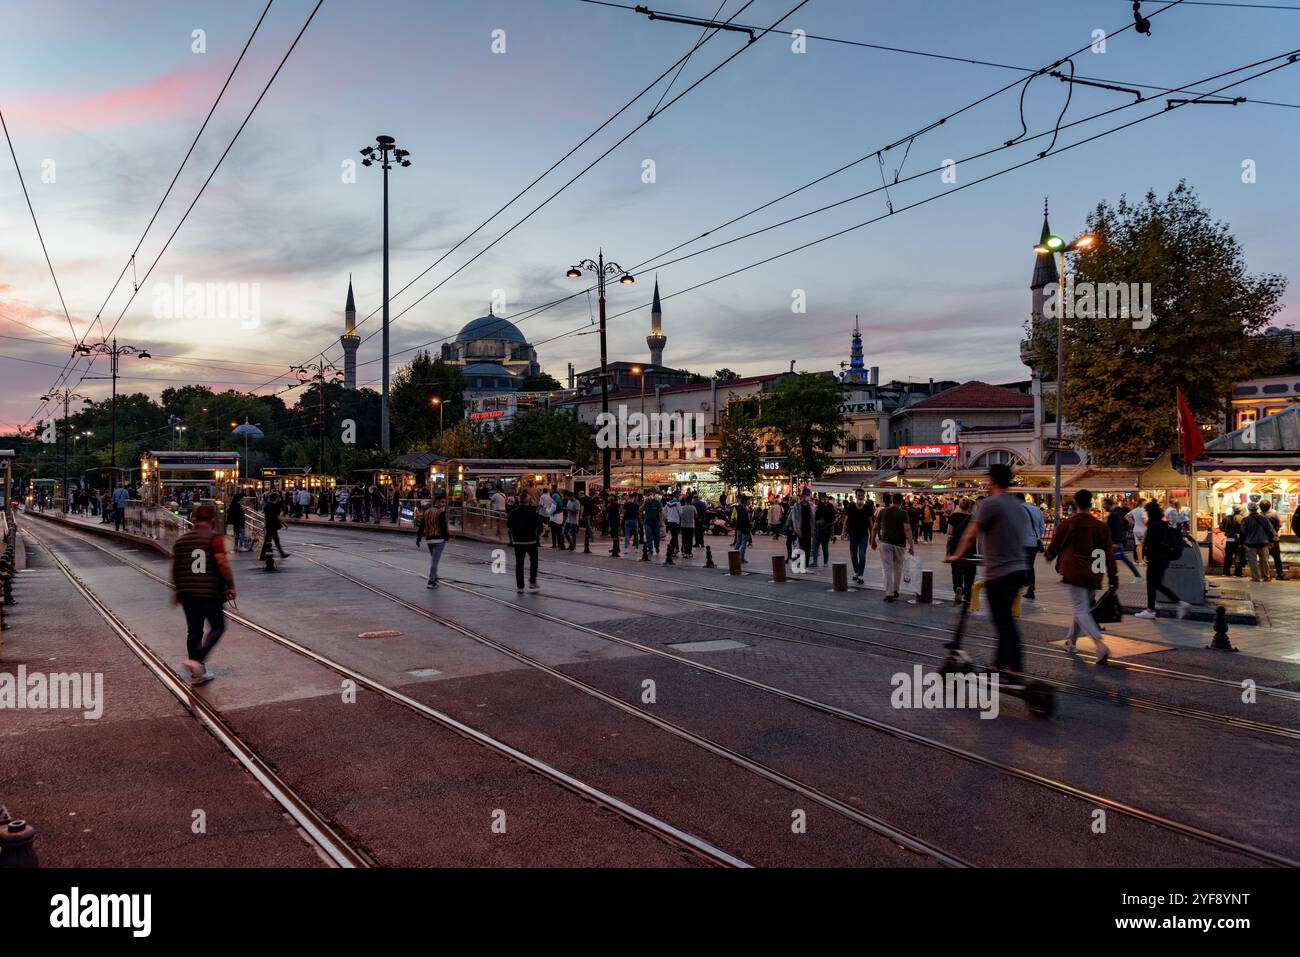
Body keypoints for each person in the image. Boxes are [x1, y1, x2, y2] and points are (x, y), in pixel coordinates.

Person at [950, 465, 1030, 678]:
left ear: (993, 481)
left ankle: (1014, 669)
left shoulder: (989, 504)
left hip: (1000, 573)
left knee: (1003, 621)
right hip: (1018, 570)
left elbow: (970, 533)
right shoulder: (1018, 506)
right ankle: (997, 665)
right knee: (1003, 619)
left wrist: (956, 555)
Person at [1046, 489, 1119, 664]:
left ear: (1075, 504)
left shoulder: (1069, 524)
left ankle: (1099, 644)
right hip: (1095, 572)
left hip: (1075, 571)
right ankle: (1071, 641)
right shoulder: (1101, 526)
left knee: (1080, 608)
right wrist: (1113, 576)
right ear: (1091, 503)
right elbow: (1108, 553)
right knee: (1082, 608)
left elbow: (1054, 547)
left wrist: (1049, 555)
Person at [171, 504, 235, 687]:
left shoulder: (181, 540)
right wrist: (230, 585)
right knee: (217, 627)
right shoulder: (214, 538)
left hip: (187, 593)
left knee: (194, 631)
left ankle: (197, 674)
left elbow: (175, 566)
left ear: (194, 518)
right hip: (209, 591)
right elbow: (222, 563)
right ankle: (197, 660)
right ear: (212, 519)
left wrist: (177, 591)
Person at [1135, 500, 1192, 618]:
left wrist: (1145, 552)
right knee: (1155, 583)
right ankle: (1173, 604)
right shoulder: (1161, 524)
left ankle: (1153, 609)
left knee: (1153, 584)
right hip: (1163, 558)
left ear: (1150, 513)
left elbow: (1151, 543)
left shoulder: (1153, 526)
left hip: (1156, 558)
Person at [870, 492, 913, 602]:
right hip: (900, 545)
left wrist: (872, 541)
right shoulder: (904, 513)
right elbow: (907, 530)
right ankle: (896, 591)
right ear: (901, 502)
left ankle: (889, 594)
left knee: (887, 569)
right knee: (898, 568)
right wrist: (911, 545)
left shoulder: (883, 511)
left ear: (892, 500)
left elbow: (875, 528)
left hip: (886, 543)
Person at [507, 495, 545, 592]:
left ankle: (520, 587)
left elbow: (509, 526)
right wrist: (537, 536)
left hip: (518, 541)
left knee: (519, 563)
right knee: (534, 561)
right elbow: (540, 527)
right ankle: (532, 581)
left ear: (519, 501)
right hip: (531, 541)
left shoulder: (513, 513)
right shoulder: (533, 513)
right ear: (528, 501)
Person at [945, 497, 977, 605]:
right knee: (970, 573)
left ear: (959, 505)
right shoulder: (973, 518)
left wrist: (948, 551)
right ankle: (968, 596)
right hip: (970, 549)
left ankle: (958, 587)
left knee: (956, 571)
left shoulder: (953, 517)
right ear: (969, 506)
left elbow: (949, 534)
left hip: (955, 548)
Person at [1014, 493, 1045, 600]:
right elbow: (1042, 528)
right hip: (1034, 543)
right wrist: (1036, 536)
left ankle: (1025, 583)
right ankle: (1030, 587)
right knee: (1030, 565)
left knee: (1019, 564)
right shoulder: (1037, 510)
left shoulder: (1017, 510)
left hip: (1021, 542)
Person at [415, 495, 449, 588]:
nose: (443, 504)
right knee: (434, 561)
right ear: (436, 502)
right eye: (442, 502)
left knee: (434, 560)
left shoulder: (426, 512)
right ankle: (431, 581)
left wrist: (418, 539)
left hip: (429, 540)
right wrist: (446, 537)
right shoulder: (440, 513)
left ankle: (435, 577)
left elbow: (421, 527)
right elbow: (443, 527)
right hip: (439, 540)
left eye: (444, 502)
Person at [1104, 498, 1142, 582]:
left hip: (1115, 542)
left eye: (1104, 504)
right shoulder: (1114, 514)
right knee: (1120, 559)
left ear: (1108, 504)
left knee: (1111, 559)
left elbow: (1116, 528)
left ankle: (1137, 576)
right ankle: (1137, 575)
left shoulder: (1113, 515)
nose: (1103, 506)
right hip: (1115, 541)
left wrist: (1116, 541)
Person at [1240, 502, 1275, 583]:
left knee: (1253, 562)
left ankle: (1256, 578)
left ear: (1249, 509)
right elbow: (1270, 530)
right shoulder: (1264, 518)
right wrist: (1271, 541)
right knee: (1264, 561)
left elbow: (1242, 532)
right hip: (1263, 543)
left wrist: (1241, 542)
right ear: (1257, 509)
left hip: (1250, 544)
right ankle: (1266, 577)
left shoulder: (1245, 520)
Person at [844, 489, 872, 585]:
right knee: (853, 555)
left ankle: (860, 575)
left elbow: (870, 523)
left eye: (862, 496)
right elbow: (846, 521)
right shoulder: (850, 507)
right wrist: (843, 532)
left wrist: (872, 535)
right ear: (856, 496)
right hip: (852, 535)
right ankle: (856, 572)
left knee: (862, 555)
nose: (861, 497)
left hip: (863, 535)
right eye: (859, 495)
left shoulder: (867, 508)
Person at [260, 492, 289, 568]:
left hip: (268, 524)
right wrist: (284, 524)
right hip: (273, 525)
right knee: (275, 540)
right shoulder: (275, 506)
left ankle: (262, 556)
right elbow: (277, 517)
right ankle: (282, 554)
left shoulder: (266, 505)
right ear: (276, 498)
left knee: (267, 540)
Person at [1259, 500, 1285, 579]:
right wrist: (1275, 531)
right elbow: (1279, 524)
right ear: (1270, 506)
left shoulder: (1259, 516)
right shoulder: (1274, 514)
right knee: (1277, 558)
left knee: (1263, 558)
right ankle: (1279, 574)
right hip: (1274, 539)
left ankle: (1265, 575)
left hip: (1262, 540)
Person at [812, 493, 835, 569]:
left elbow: (831, 523)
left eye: (826, 498)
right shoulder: (819, 508)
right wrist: (814, 530)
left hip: (825, 532)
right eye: (824, 498)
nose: (825, 500)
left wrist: (832, 534)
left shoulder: (830, 507)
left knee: (825, 548)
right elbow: (815, 520)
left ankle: (825, 562)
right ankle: (815, 561)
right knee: (815, 547)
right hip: (818, 532)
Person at [1219, 507, 1243, 577]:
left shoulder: (1226, 518)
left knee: (1228, 557)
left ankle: (1226, 572)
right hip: (1238, 540)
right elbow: (1244, 530)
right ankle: (1238, 573)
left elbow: (1221, 528)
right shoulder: (1242, 518)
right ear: (1240, 511)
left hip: (1229, 539)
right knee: (1238, 557)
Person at [1127, 498, 1149, 563]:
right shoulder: (1143, 511)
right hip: (1142, 530)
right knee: (1140, 545)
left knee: (1138, 545)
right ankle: (1140, 560)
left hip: (1136, 529)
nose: (1146, 504)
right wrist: (1149, 525)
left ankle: (1140, 559)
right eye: (1145, 502)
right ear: (1142, 503)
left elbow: (1126, 516)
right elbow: (1144, 520)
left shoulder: (1134, 510)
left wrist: (1133, 522)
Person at [734, 494, 753, 563]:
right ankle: (741, 557)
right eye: (749, 501)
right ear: (745, 501)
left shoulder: (742, 508)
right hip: (744, 528)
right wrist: (749, 523)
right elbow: (744, 520)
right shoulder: (742, 509)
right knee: (743, 543)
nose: (750, 502)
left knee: (738, 543)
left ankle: (734, 556)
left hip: (740, 528)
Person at [678, 492, 696, 558]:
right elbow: (696, 515)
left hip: (683, 525)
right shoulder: (693, 507)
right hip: (691, 526)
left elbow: (680, 516)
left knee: (684, 539)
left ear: (685, 501)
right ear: (691, 501)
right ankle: (689, 552)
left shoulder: (682, 508)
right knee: (690, 539)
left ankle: (685, 553)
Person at [664, 496, 681, 561]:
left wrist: (667, 517)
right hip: (675, 522)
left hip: (669, 522)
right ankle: (671, 550)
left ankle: (675, 549)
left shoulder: (668, 503)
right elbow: (681, 512)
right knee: (675, 536)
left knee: (674, 536)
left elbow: (664, 510)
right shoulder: (678, 503)